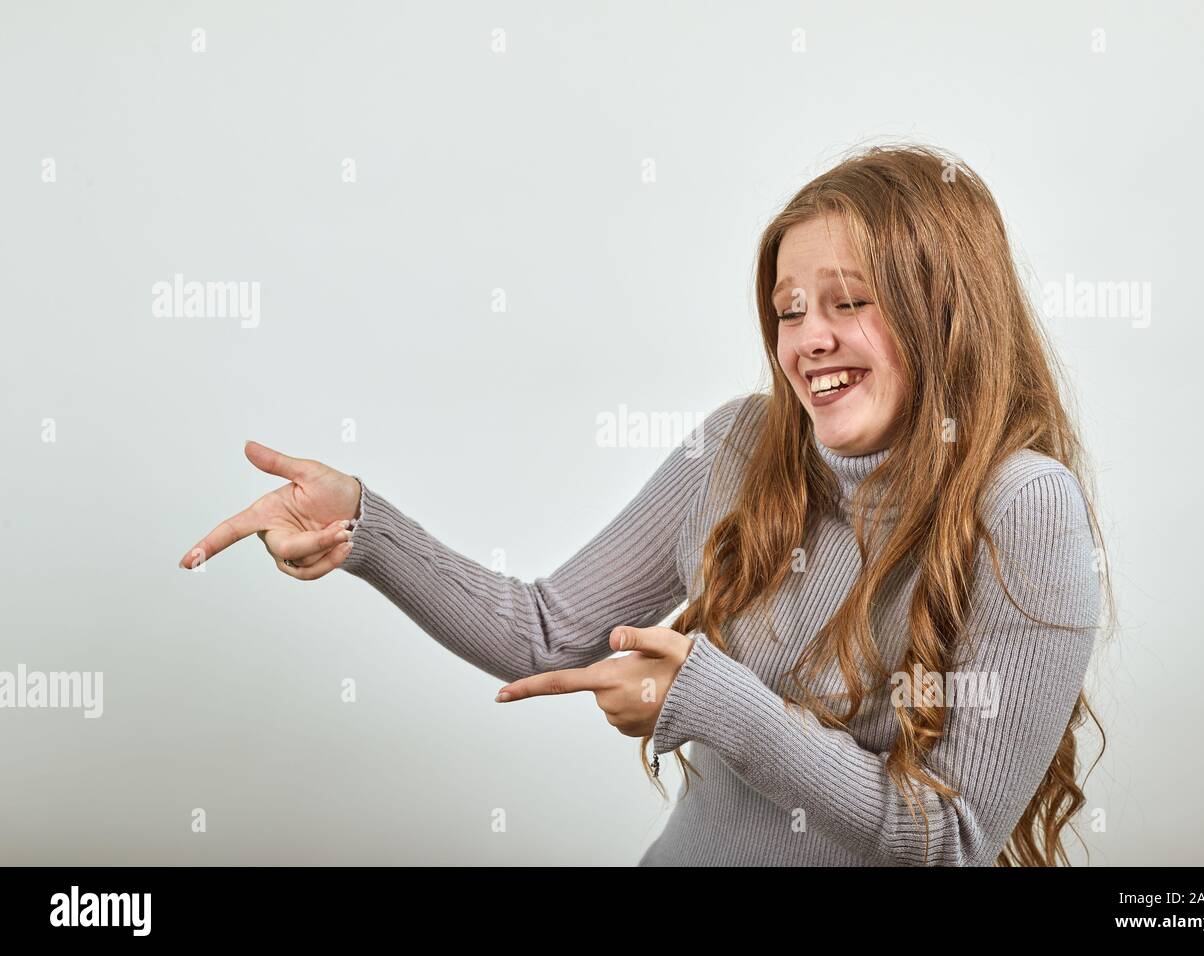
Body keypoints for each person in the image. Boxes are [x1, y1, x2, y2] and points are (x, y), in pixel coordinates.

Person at [179, 143, 1114, 866]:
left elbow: (952, 840)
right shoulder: (741, 445)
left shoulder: (1024, 507)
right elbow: (548, 631)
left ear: (944, 310)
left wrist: (716, 701)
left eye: (849, 301)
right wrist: (364, 528)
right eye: (789, 310)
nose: (808, 341)